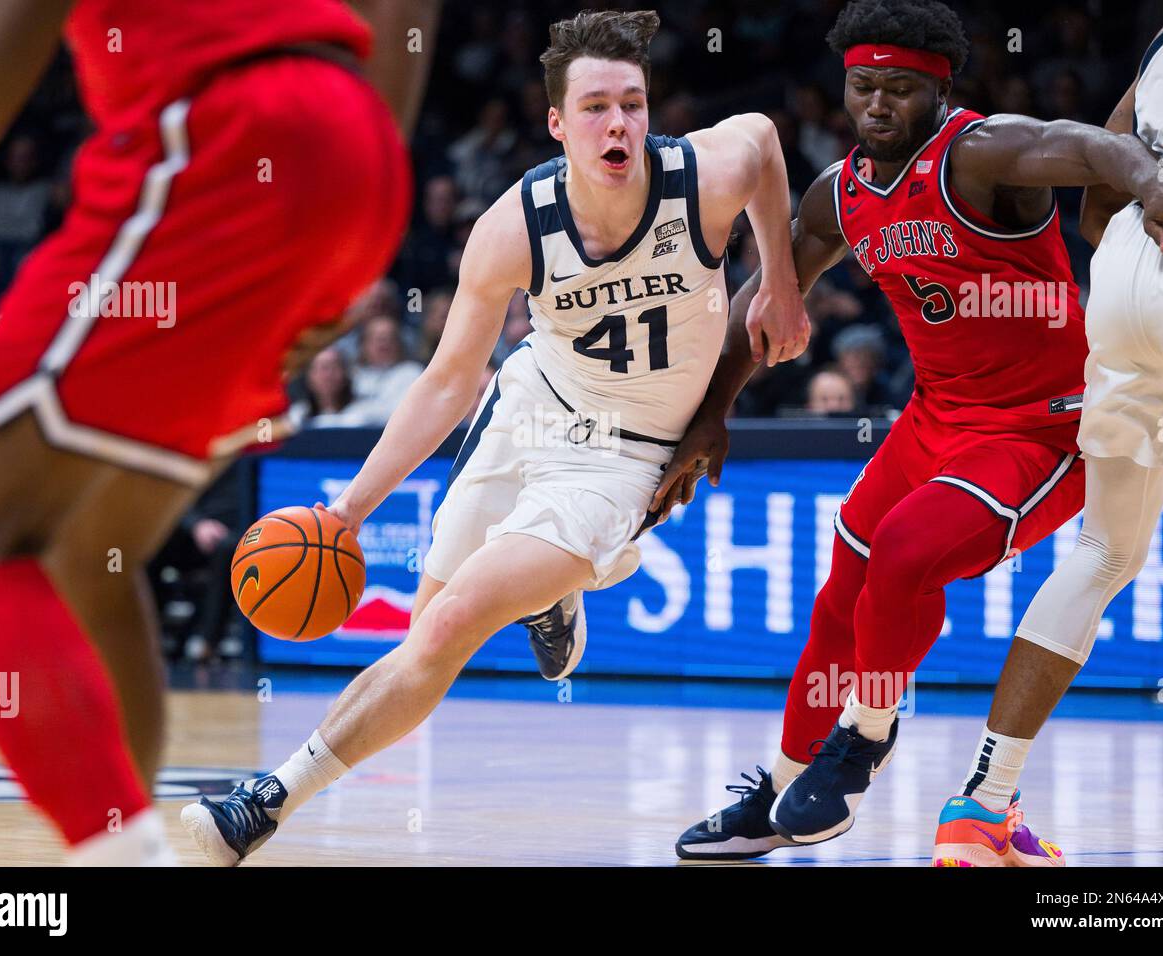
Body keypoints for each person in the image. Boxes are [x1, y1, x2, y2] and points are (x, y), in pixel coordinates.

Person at [180, 8, 809, 866]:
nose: (617, 122)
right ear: (557, 123)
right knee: (425, 630)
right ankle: (548, 598)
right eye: (594, 107)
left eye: (632, 102)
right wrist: (352, 511)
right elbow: (444, 382)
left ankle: (266, 800)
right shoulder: (515, 226)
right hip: (532, 408)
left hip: (624, 460)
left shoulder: (703, 177)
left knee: (447, 632)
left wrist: (778, 278)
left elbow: (767, 141)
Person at [661, 0, 1163, 863]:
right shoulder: (838, 192)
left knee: (909, 553)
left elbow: (1092, 143)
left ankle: (869, 731)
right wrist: (713, 410)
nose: (879, 105)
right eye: (864, 87)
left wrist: (1149, 183)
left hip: (1042, 426)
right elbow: (766, 302)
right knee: (841, 594)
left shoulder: (982, 151)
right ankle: (777, 792)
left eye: (902, 90)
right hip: (935, 418)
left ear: (940, 90)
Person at [0, 0, 438, 866]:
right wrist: (364, 177)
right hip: (351, 138)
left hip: (224, 136)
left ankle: (123, 857)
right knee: (90, 554)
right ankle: (131, 851)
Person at [935, 0, 1163, 867]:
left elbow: (1106, 161)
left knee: (1101, 551)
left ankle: (980, 807)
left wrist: (1149, 289)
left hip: (1131, 261)